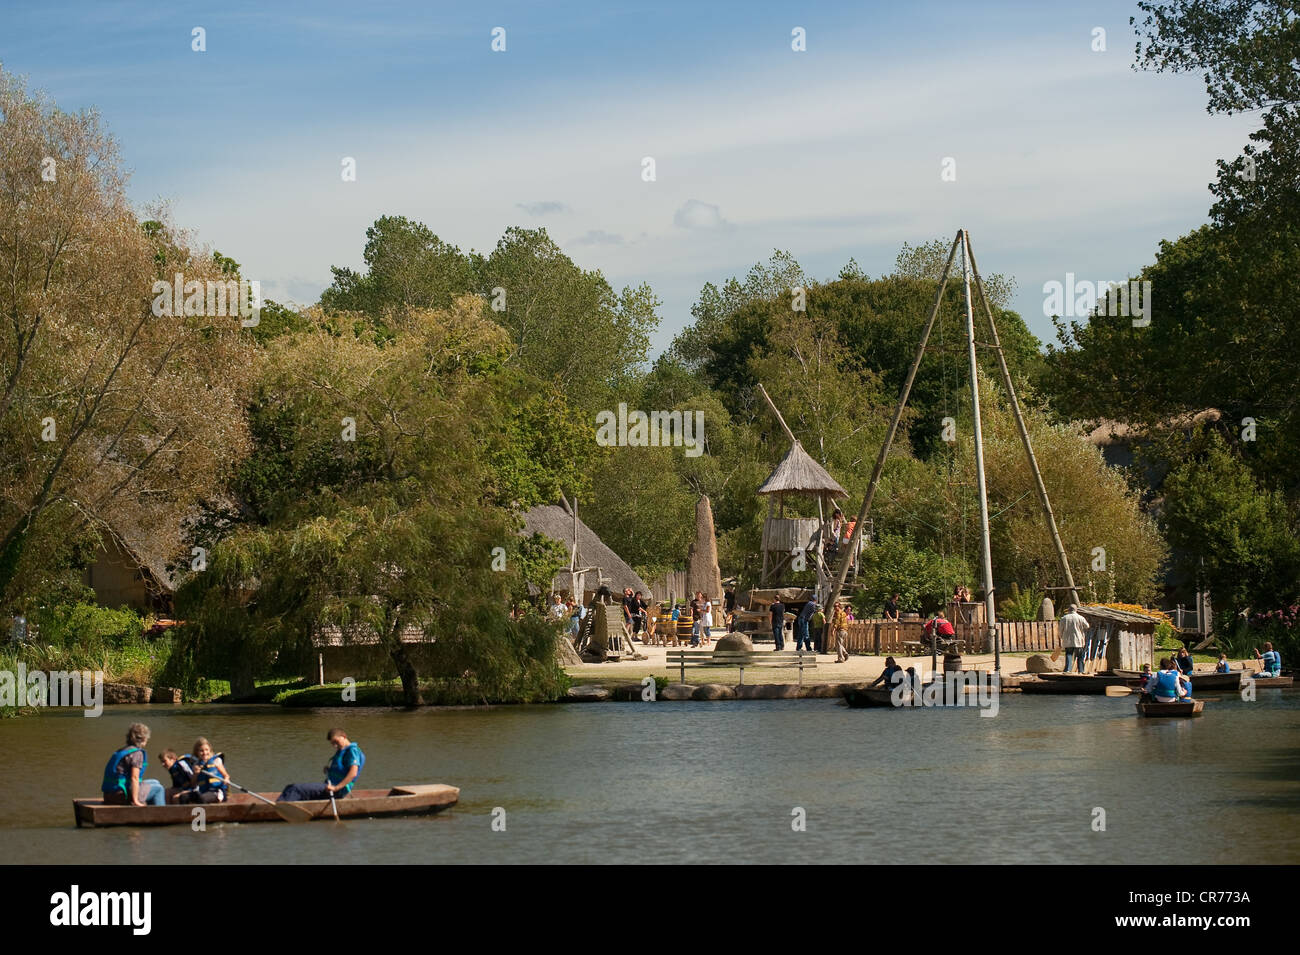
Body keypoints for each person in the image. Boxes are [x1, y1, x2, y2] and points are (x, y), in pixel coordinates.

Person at [278, 728, 365, 802]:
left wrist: (336, 788)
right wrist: (329, 770)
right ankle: (280, 807)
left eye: (336, 742)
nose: (335, 745)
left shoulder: (352, 751)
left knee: (295, 789)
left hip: (335, 791)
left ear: (344, 736)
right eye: (332, 743)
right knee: (290, 788)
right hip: (329, 787)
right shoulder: (342, 751)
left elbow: (353, 773)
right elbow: (342, 769)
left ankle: (278, 809)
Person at [102, 723, 166, 807]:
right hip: (121, 795)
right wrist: (135, 801)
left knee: (155, 782)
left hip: (109, 794)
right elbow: (134, 778)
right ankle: (161, 817)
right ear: (143, 739)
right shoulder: (137, 754)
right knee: (159, 789)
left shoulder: (123, 750)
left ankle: (150, 812)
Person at [185, 737, 229, 804]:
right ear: (197, 752)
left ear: (210, 750)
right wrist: (195, 774)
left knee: (202, 798)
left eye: (206, 750)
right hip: (204, 792)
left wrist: (226, 779)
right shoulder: (196, 765)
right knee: (184, 797)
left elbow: (226, 776)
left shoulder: (216, 761)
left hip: (216, 792)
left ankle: (204, 814)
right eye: (201, 751)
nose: (204, 753)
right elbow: (193, 785)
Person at [1059, 603, 1089, 674]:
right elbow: (1087, 626)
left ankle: (1068, 670)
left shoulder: (1064, 618)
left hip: (1068, 639)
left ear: (1069, 610)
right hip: (1078, 639)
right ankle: (1081, 670)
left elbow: (1060, 629)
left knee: (1069, 654)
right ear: (1076, 610)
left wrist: (1061, 636)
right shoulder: (1080, 618)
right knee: (1079, 656)